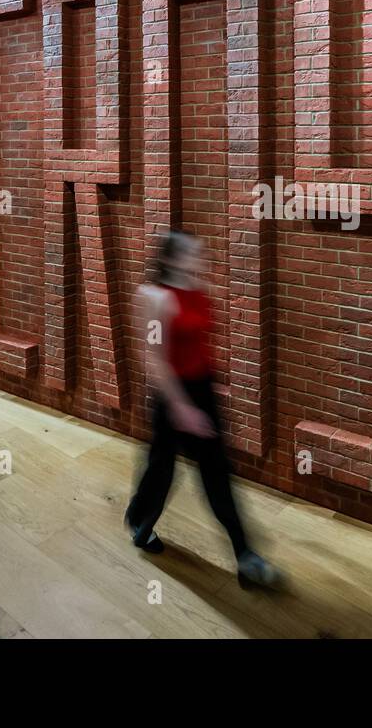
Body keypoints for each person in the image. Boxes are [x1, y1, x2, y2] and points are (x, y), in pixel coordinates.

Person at [125, 229, 281, 588]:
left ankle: (245, 556)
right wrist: (181, 407)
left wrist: (209, 396)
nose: (202, 258)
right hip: (171, 396)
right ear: (171, 257)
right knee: (161, 471)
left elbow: (200, 347)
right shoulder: (152, 296)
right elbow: (152, 357)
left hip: (202, 390)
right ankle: (139, 521)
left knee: (217, 473)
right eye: (193, 253)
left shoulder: (200, 290)